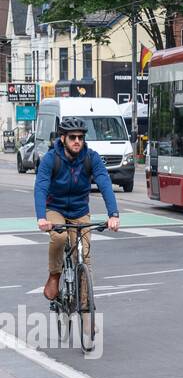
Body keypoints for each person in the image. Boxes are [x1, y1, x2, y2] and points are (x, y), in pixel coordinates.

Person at [35, 117, 121, 301]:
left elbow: (104, 182)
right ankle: (54, 276)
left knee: (83, 257)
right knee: (59, 236)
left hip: (80, 210)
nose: (77, 141)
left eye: (80, 138)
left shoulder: (91, 158)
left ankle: (85, 311)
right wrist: (42, 217)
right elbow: (41, 187)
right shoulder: (51, 159)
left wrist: (113, 214)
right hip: (55, 208)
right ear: (63, 138)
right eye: (72, 137)